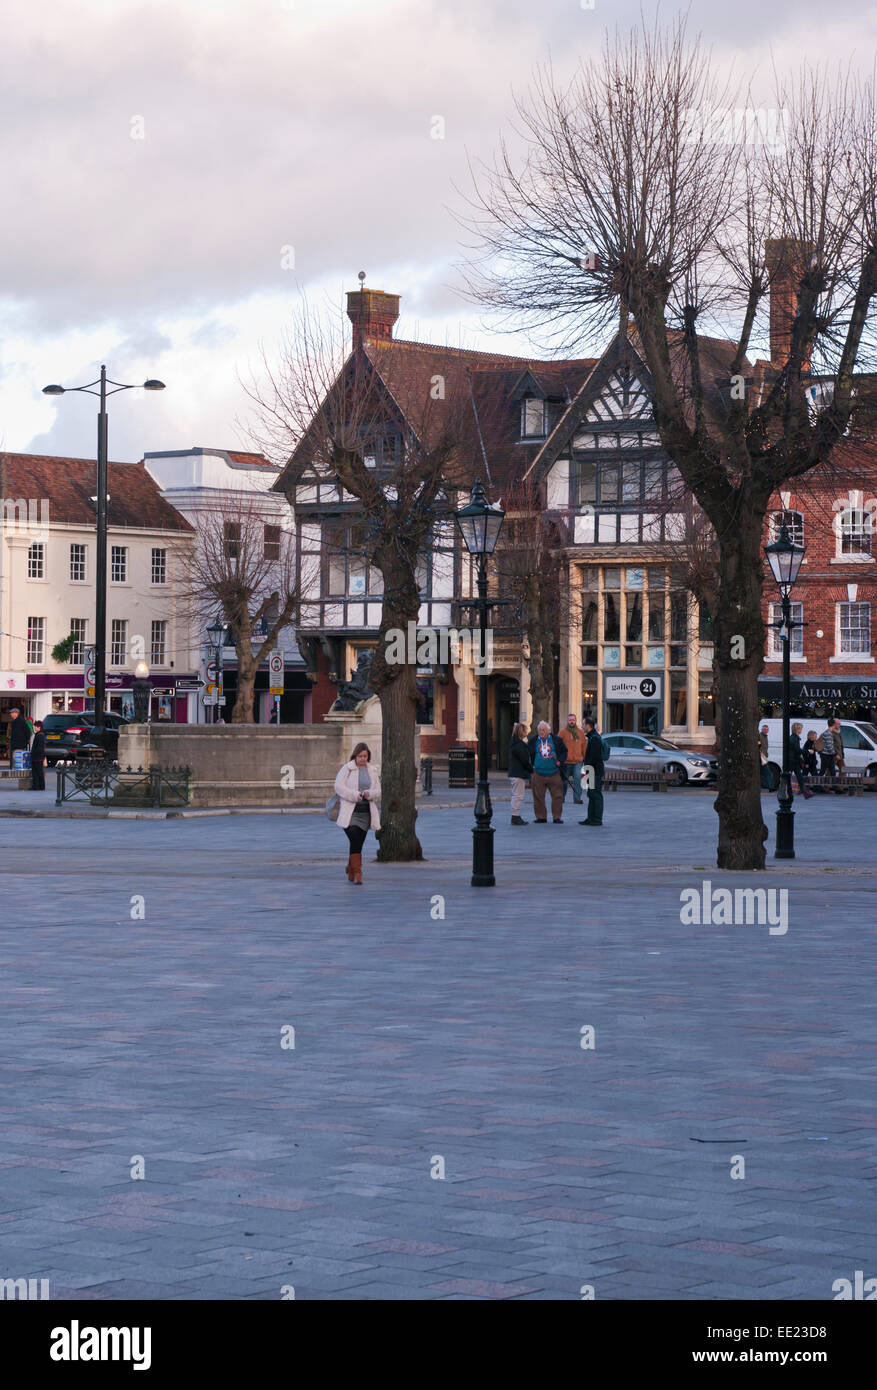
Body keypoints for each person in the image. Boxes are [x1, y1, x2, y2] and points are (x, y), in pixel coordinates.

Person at [334, 741, 381, 884]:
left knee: (358, 842)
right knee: (354, 838)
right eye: (360, 756)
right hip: (350, 812)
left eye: (365, 756)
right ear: (355, 756)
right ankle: (358, 873)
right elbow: (338, 787)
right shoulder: (347, 769)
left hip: (366, 812)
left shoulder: (372, 770)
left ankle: (351, 867)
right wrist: (354, 795)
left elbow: (378, 791)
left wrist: (369, 794)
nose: (362, 759)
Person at [527, 721, 566, 823]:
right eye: (539, 730)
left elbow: (564, 751)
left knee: (557, 796)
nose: (541, 732)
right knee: (538, 796)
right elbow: (528, 754)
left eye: (543, 730)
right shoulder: (533, 741)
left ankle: (556, 817)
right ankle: (541, 817)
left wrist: (560, 761)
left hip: (554, 773)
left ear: (549, 731)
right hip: (538, 773)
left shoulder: (556, 740)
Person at [580, 716, 605, 826]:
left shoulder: (594, 738)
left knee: (596, 794)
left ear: (587, 725)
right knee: (591, 794)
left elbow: (594, 757)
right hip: (591, 770)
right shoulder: (592, 737)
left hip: (594, 771)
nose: (582, 726)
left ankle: (597, 819)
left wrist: (587, 770)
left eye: (583, 724)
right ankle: (590, 818)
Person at [558, 713, 587, 806]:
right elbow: (557, 746)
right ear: (567, 721)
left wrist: (585, 758)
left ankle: (577, 798)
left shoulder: (580, 733)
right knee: (564, 781)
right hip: (565, 761)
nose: (571, 721)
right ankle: (561, 796)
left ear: (575, 721)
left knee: (578, 778)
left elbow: (584, 747)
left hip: (578, 761)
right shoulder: (562, 732)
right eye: (570, 720)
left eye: (573, 720)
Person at [508, 722, 532, 825]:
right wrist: (531, 770)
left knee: (516, 795)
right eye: (525, 730)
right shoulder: (518, 745)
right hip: (518, 773)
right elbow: (524, 760)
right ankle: (515, 816)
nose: (526, 732)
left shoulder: (515, 743)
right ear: (520, 731)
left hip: (515, 773)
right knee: (518, 796)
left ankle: (515, 816)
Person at [789, 722, 813, 799]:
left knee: (800, 777)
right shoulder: (794, 738)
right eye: (801, 728)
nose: (801, 730)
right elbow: (797, 750)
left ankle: (805, 793)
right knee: (789, 776)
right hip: (792, 761)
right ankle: (786, 791)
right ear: (797, 729)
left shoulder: (794, 737)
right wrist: (808, 751)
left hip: (794, 760)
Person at [30, 720, 47, 791]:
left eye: (35, 726)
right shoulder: (40, 734)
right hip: (39, 756)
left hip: (37, 757)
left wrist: (33, 753)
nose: (34, 728)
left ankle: (38, 786)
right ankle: (39, 786)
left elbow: (39, 747)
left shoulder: (40, 735)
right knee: (38, 772)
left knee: (37, 773)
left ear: (39, 727)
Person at [757, 723, 771, 789]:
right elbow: (759, 745)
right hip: (762, 756)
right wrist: (762, 753)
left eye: (767, 729)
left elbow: (765, 747)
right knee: (767, 771)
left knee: (762, 772)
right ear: (762, 730)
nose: (766, 730)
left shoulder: (765, 737)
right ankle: (771, 786)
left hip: (763, 756)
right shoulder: (760, 736)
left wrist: (766, 753)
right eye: (764, 729)